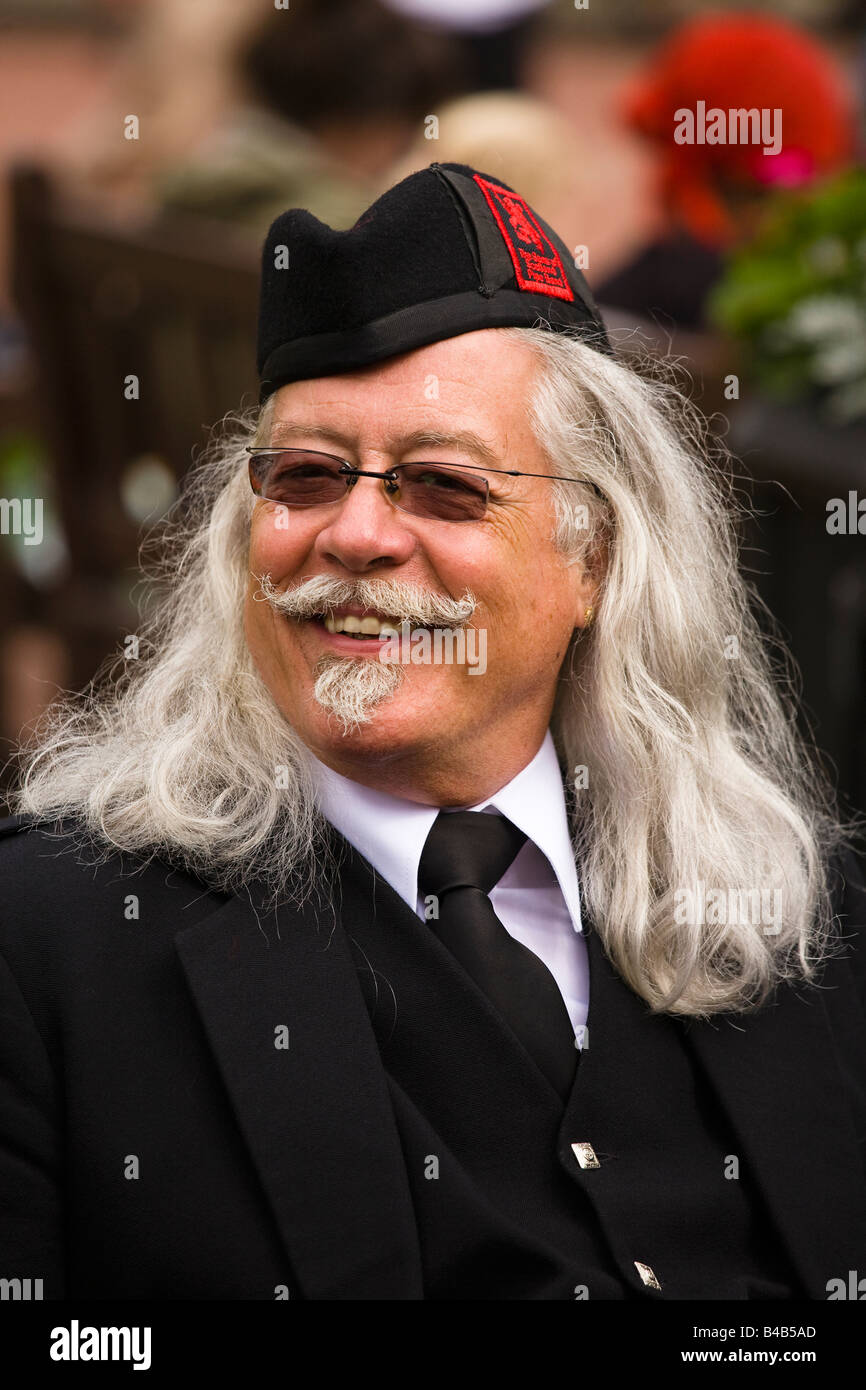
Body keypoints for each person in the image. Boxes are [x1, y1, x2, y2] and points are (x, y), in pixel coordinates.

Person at [1, 162, 865, 1301]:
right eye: (303, 478)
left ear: (593, 558)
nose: (354, 534)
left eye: (441, 487)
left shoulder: (793, 910)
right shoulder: (48, 948)